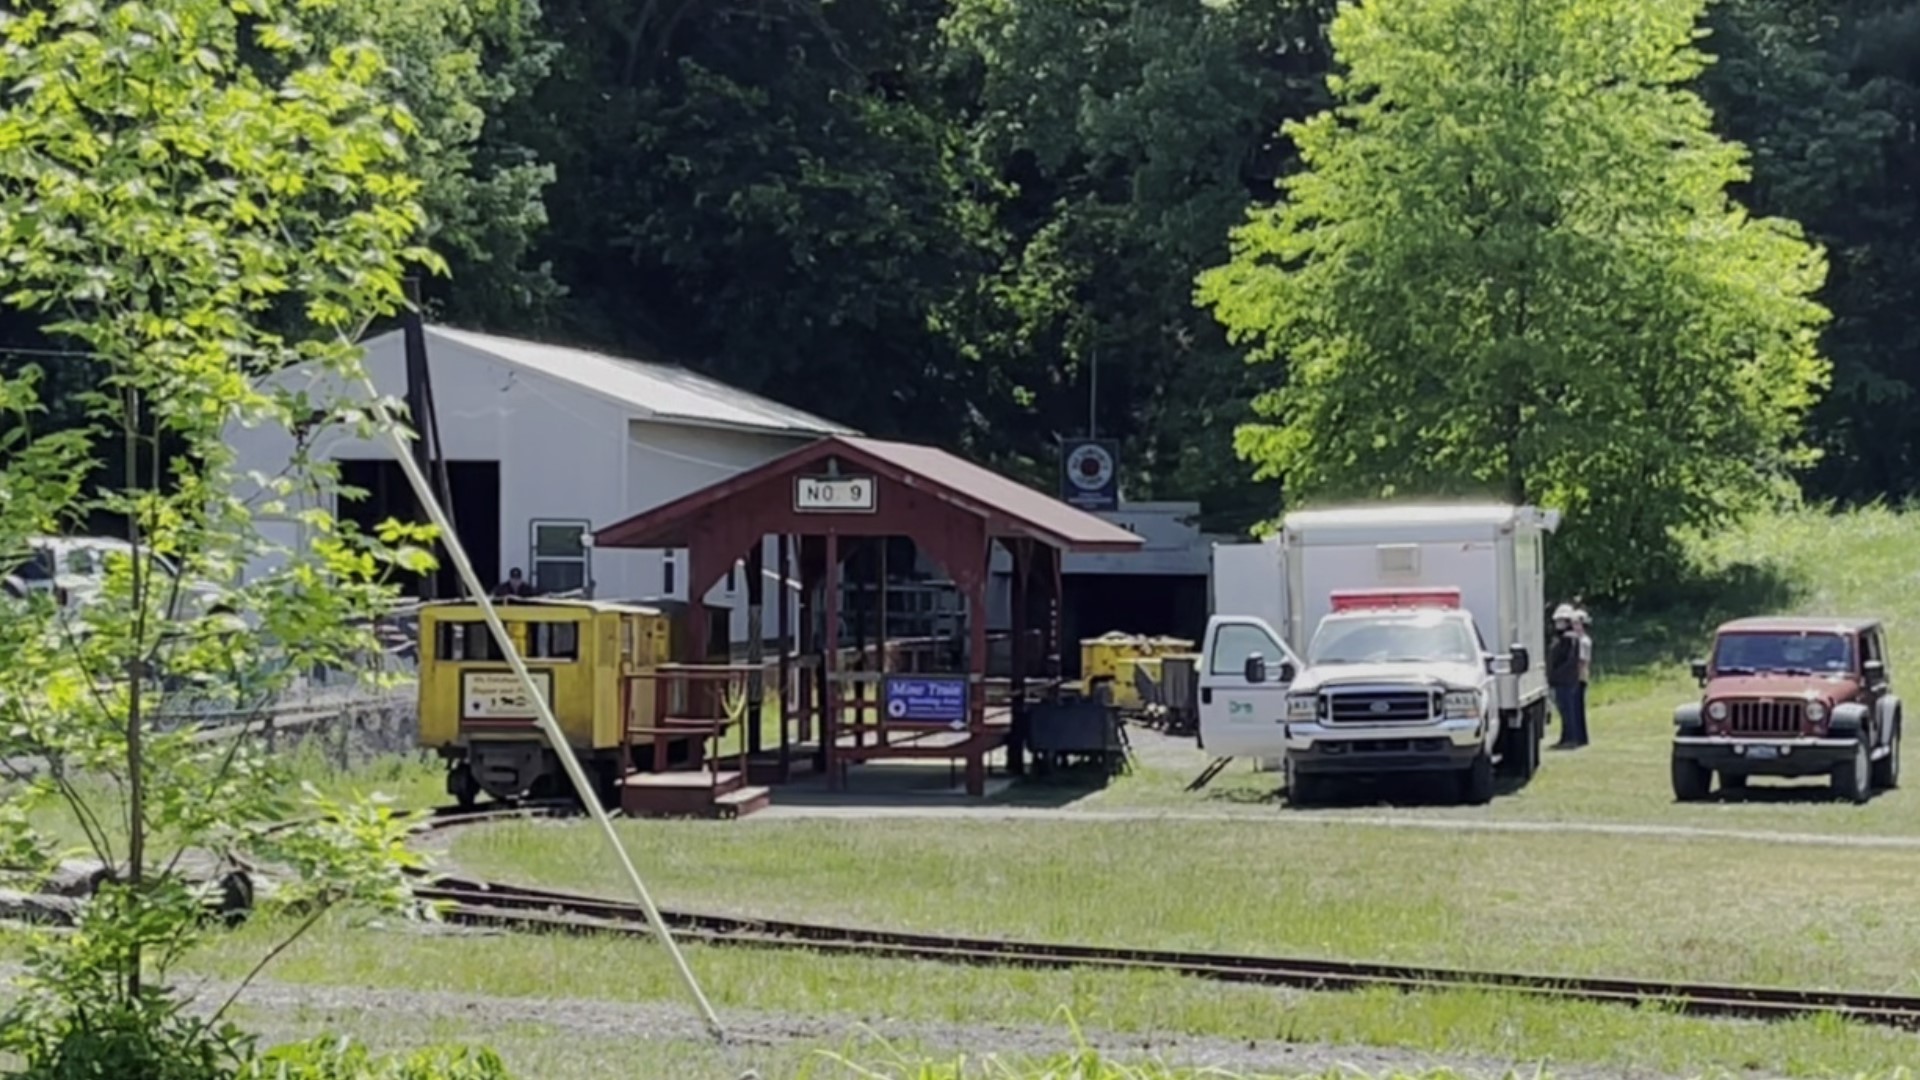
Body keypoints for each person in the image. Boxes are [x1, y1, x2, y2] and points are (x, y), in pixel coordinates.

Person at [1547, 603, 1587, 749]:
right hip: (1562, 681)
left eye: (1562, 621)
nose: (1558, 624)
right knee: (1565, 712)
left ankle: (1570, 739)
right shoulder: (1563, 638)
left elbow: (1568, 661)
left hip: (1565, 681)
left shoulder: (1569, 639)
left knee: (1567, 712)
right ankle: (1566, 738)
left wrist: (1555, 674)